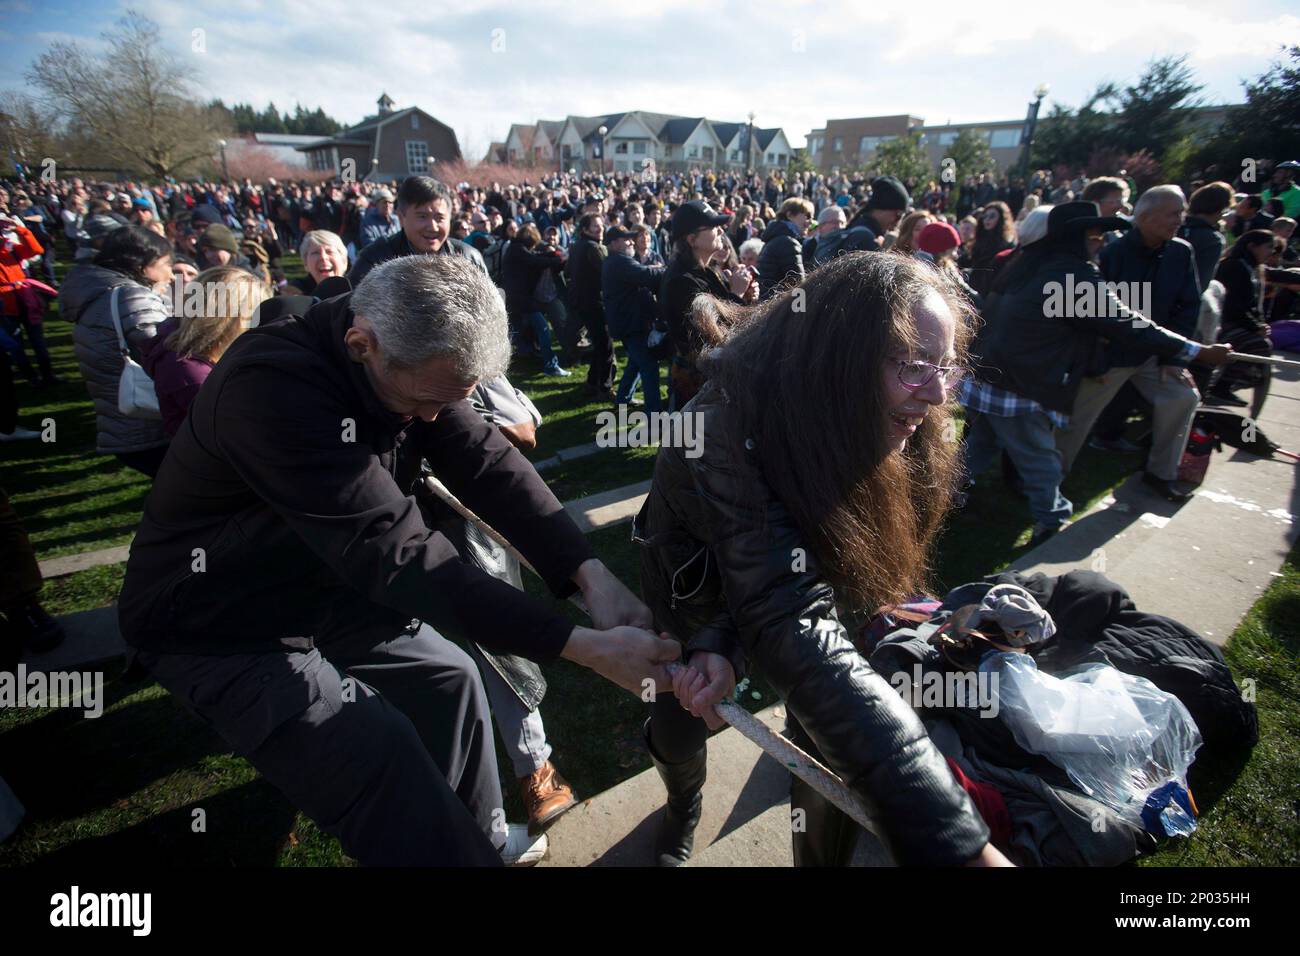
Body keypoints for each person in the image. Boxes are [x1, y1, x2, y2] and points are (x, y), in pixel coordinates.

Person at [117, 254, 681, 867]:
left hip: (315, 585)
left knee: (452, 681)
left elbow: (483, 458)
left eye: (449, 401)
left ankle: (484, 840)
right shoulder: (271, 391)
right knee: (379, 759)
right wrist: (583, 647)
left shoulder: (409, 360)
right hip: (218, 621)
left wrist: (589, 575)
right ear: (363, 344)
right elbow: (399, 556)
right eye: (422, 403)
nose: (432, 419)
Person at [637, 252, 1010, 868]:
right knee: (681, 722)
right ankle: (683, 804)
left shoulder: (885, 410)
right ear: (839, 358)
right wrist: (962, 848)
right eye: (916, 366)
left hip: (796, 595)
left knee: (826, 733)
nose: (940, 391)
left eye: (947, 365)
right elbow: (781, 608)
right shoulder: (719, 422)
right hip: (692, 597)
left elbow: (796, 589)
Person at [966, 202, 1231, 543]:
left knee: (983, 443)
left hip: (995, 371)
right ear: (1075, 238)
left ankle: (937, 493)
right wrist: (1197, 350)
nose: (1101, 242)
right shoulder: (1069, 275)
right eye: (1094, 235)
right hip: (1020, 381)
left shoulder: (1031, 263)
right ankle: (1051, 520)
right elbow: (1128, 324)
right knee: (1037, 456)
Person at [1057, 187, 1205, 500]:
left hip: (1154, 353)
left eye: (1181, 212)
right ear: (1145, 217)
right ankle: (1049, 480)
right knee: (1077, 418)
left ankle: (1161, 472)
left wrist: (1174, 360)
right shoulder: (1111, 255)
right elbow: (1088, 316)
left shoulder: (1181, 252)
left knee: (1183, 397)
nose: (1180, 219)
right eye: (1173, 213)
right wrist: (1094, 360)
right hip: (1110, 357)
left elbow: (1187, 306)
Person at [60, 225, 174, 477]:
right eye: (166, 263)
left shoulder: (97, 293)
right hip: (150, 424)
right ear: (142, 265)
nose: (171, 274)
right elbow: (171, 357)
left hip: (120, 419)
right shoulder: (133, 297)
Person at [141, 267, 271, 437]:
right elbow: (239, 429)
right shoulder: (191, 374)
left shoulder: (195, 350)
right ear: (231, 320)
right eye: (256, 315)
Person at [659, 201, 756, 409]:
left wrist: (745, 296)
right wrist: (737, 294)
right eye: (713, 226)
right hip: (700, 387)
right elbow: (714, 332)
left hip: (714, 376)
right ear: (692, 239)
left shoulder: (707, 269)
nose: (721, 230)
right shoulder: (682, 281)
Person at [350, 176, 485, 286]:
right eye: (422, 217)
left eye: (439, 218)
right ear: (401, 218)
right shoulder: (376, 259)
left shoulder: (468, 257)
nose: (433, 227)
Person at [604, 224, 667, 412]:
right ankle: (654, 417)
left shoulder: (617, 260)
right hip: (631, 324)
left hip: (629, 322)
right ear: (615, 243)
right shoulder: (619, 261)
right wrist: (667, 269)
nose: (631, 241)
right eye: (627, 238)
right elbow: (645, 275)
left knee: (635, 363)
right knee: (649, 367)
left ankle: (622, 400)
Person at [501, 223, 568, 376]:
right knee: (543, 329)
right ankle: (551, 366)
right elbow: (534, 261)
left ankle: (525, 359)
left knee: (519, 332)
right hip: (521, 298)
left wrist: (551, 256)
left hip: (515, 297)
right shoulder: (517, 250)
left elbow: (534, 258)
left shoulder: (515, 248)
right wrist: (557, 259)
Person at [565, 212, 616, 399]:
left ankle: (592, 382)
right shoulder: (594, 248)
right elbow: (609, 273)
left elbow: (567, 271)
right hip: (594, 303)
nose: (600, 228)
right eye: (595, 226)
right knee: (606, 346)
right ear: (585, 229)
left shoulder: (577, 246)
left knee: (599, 345)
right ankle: (604, 387)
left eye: (601, 225)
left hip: (582, 303)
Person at [1181, 181, 1234, 296]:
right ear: (1220, 209)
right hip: (1177, 306)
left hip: (1143, 298)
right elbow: (1200, 285)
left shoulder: (1172, 226)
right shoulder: (1212, 240)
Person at [835, 176, 910, 257]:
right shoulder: (865, 239)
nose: (898, 222)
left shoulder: (865, 229)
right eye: (898, 215)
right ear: (881, 208)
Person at [755, 197, 812, 300]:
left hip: (767, 305)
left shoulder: (777, 239)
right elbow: (798, 286)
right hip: (776, 306)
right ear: (789, 215)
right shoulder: (788, 243)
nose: (810, 222)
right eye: (807, 216)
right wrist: (801, 312)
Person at [967, 201, 1016, 296]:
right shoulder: (979, 240)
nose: (987, 220)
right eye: (985, 216)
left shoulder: (1007, 245)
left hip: (990, 292)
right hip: (973, 290)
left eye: (992, 216)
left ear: (1001, 219)